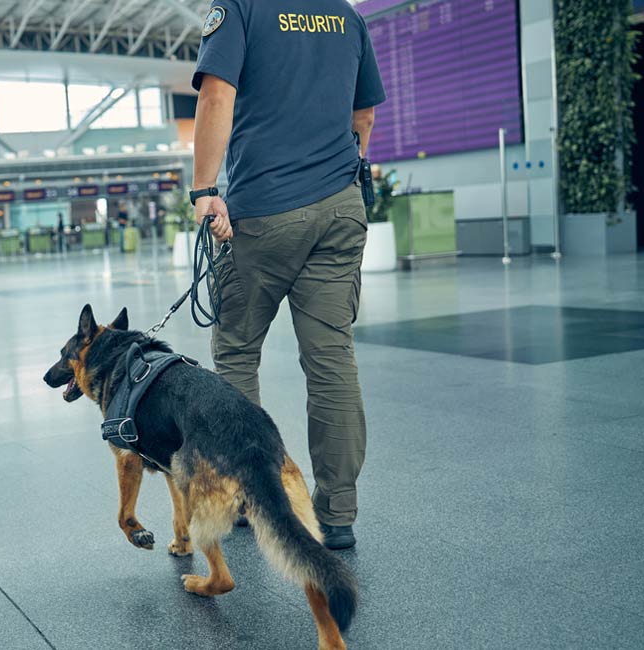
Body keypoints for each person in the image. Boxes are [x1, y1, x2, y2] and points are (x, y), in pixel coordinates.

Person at [189, 0, 385, 550]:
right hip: (341, 207)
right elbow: (363, 115)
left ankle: (251, 496)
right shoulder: (346, 16)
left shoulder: (241, 7)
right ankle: (337, 513)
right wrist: (345, 174)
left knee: (235, 350)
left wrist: (205, 189)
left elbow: (216, 94)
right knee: (331, 359)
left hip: (264, 212)